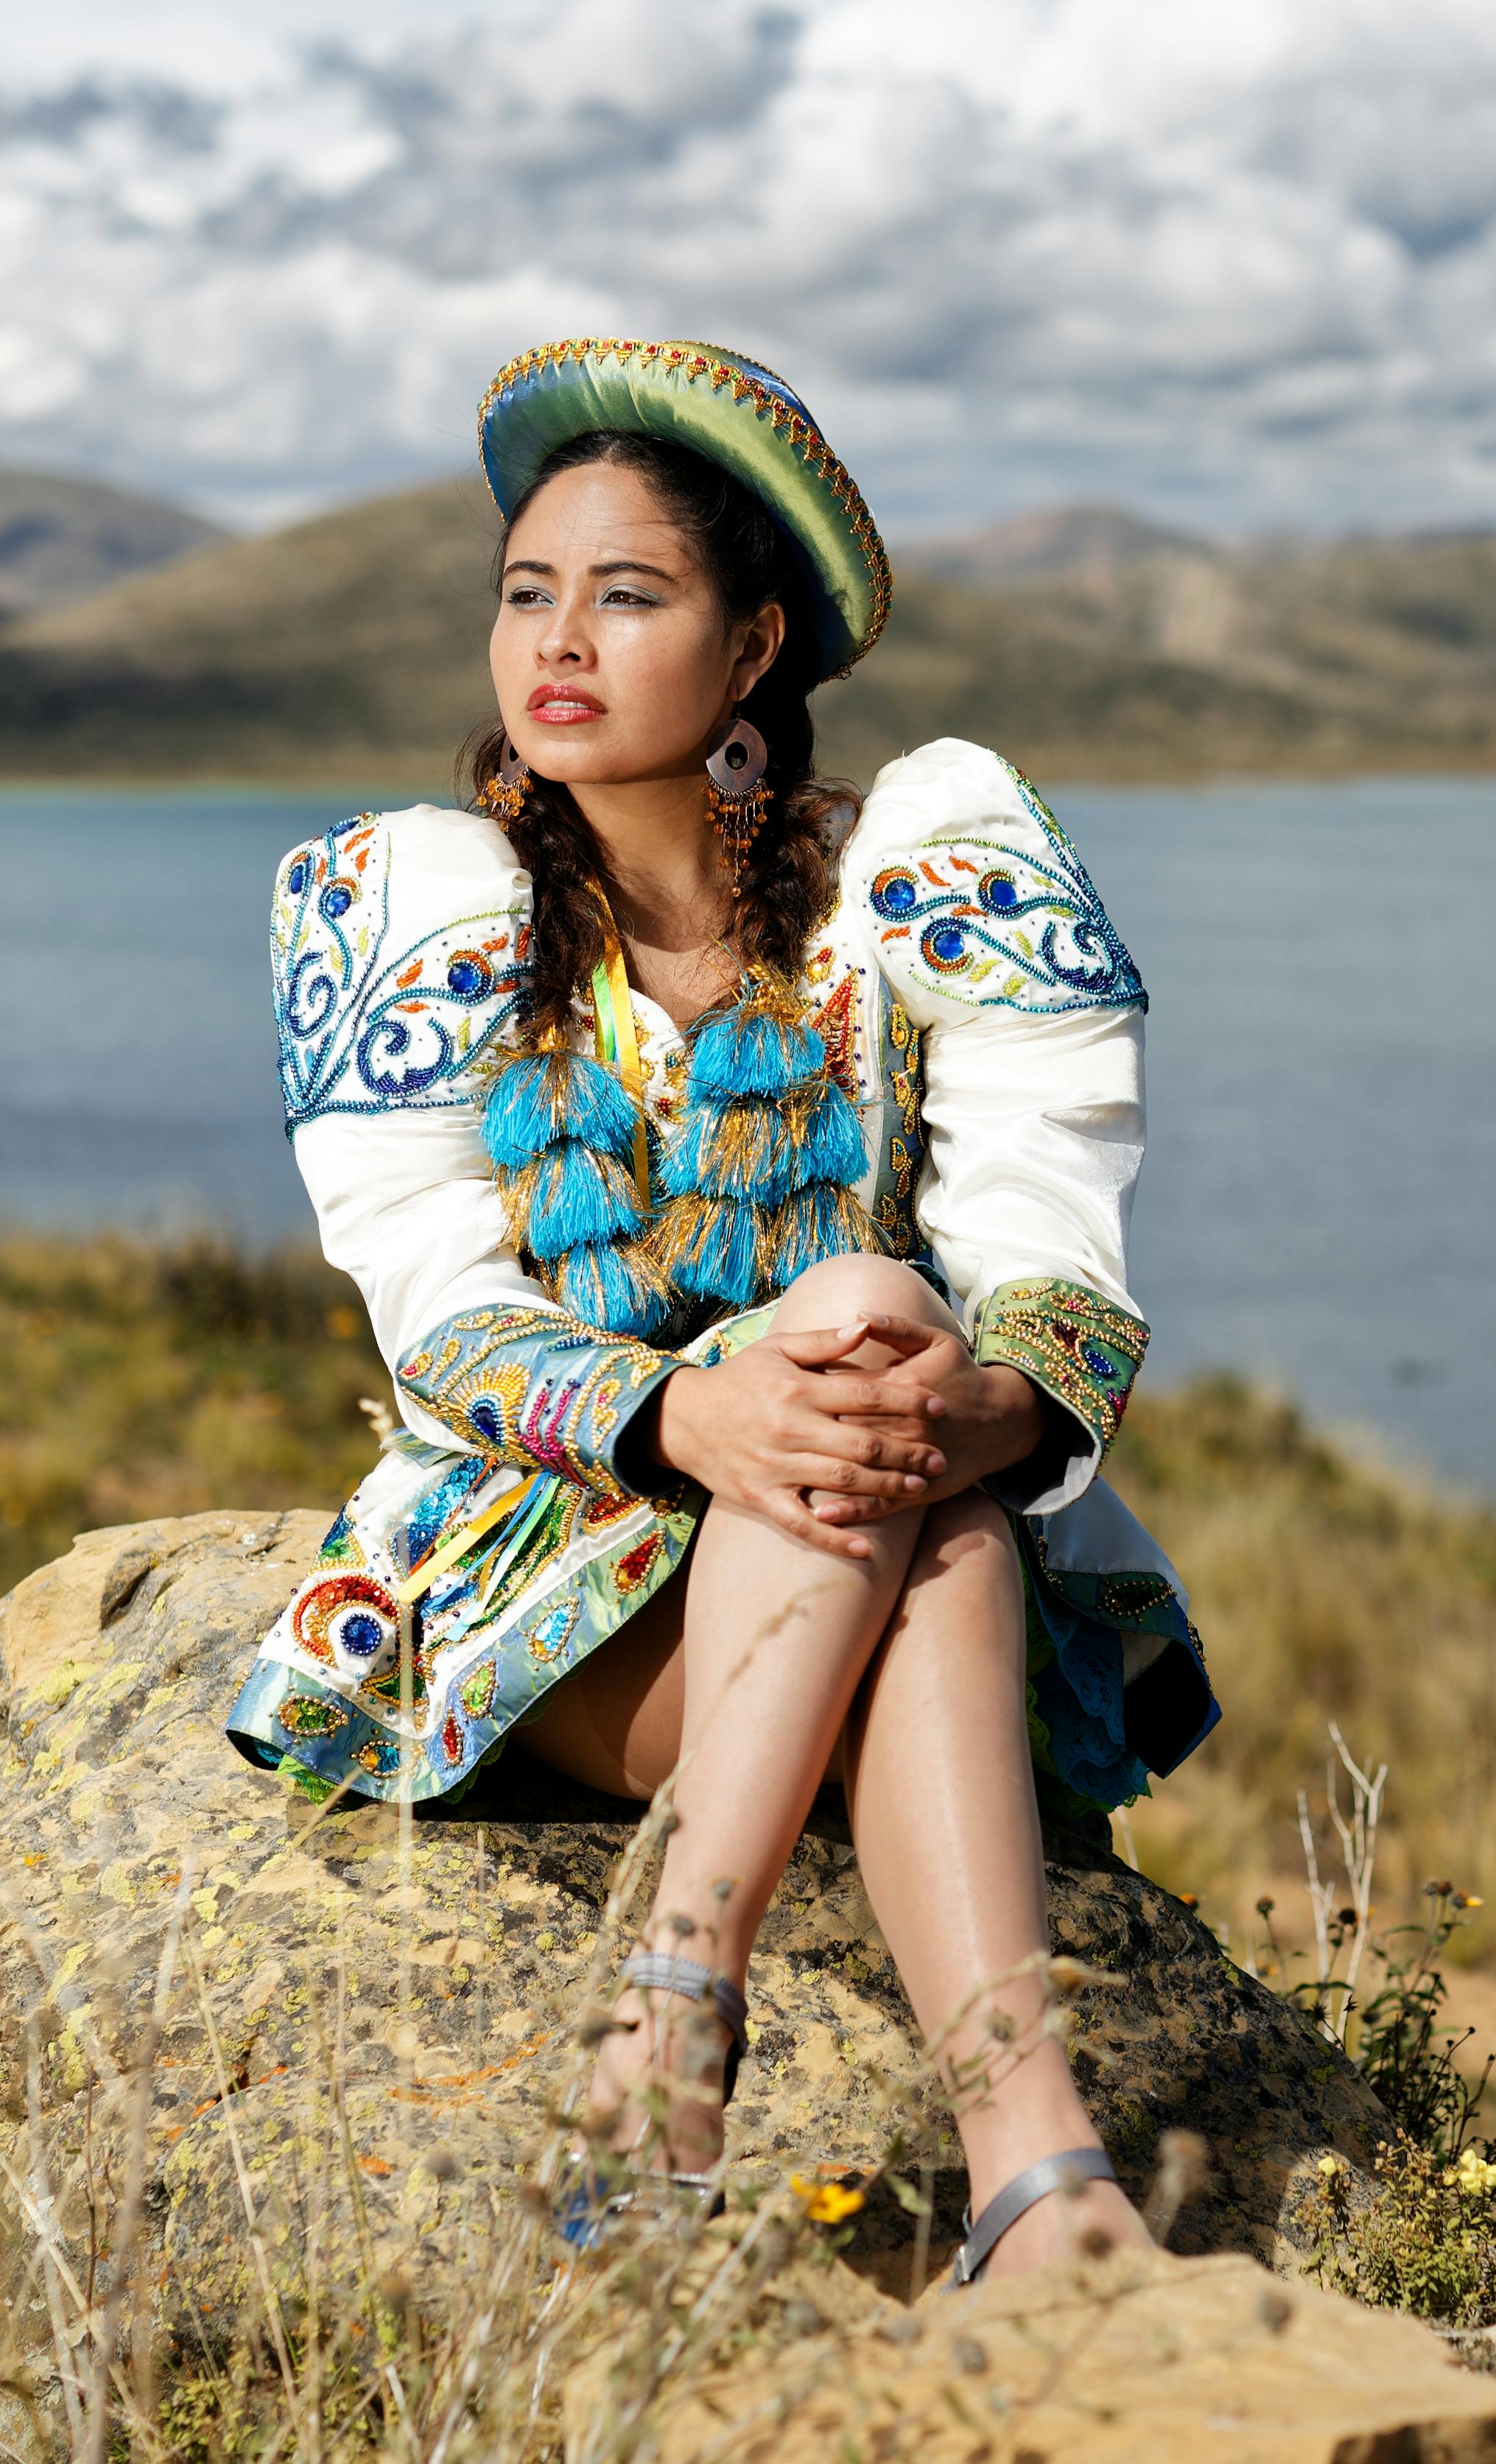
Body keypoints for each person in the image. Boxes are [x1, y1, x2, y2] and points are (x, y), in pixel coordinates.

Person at [225, 338, 1215, 2287]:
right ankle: (1004, 2160)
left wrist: (996, 1406)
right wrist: (694, 1414)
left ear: (754, 645)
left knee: (879, 1350)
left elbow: (1046, 1231)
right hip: (568, 1575)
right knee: (861, 1354)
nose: (556, 640)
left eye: (627, 593)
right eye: (527, 590)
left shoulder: (910, 893)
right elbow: (433, 1309)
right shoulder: (422, 908)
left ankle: (733, 2054)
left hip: (893, 1518)